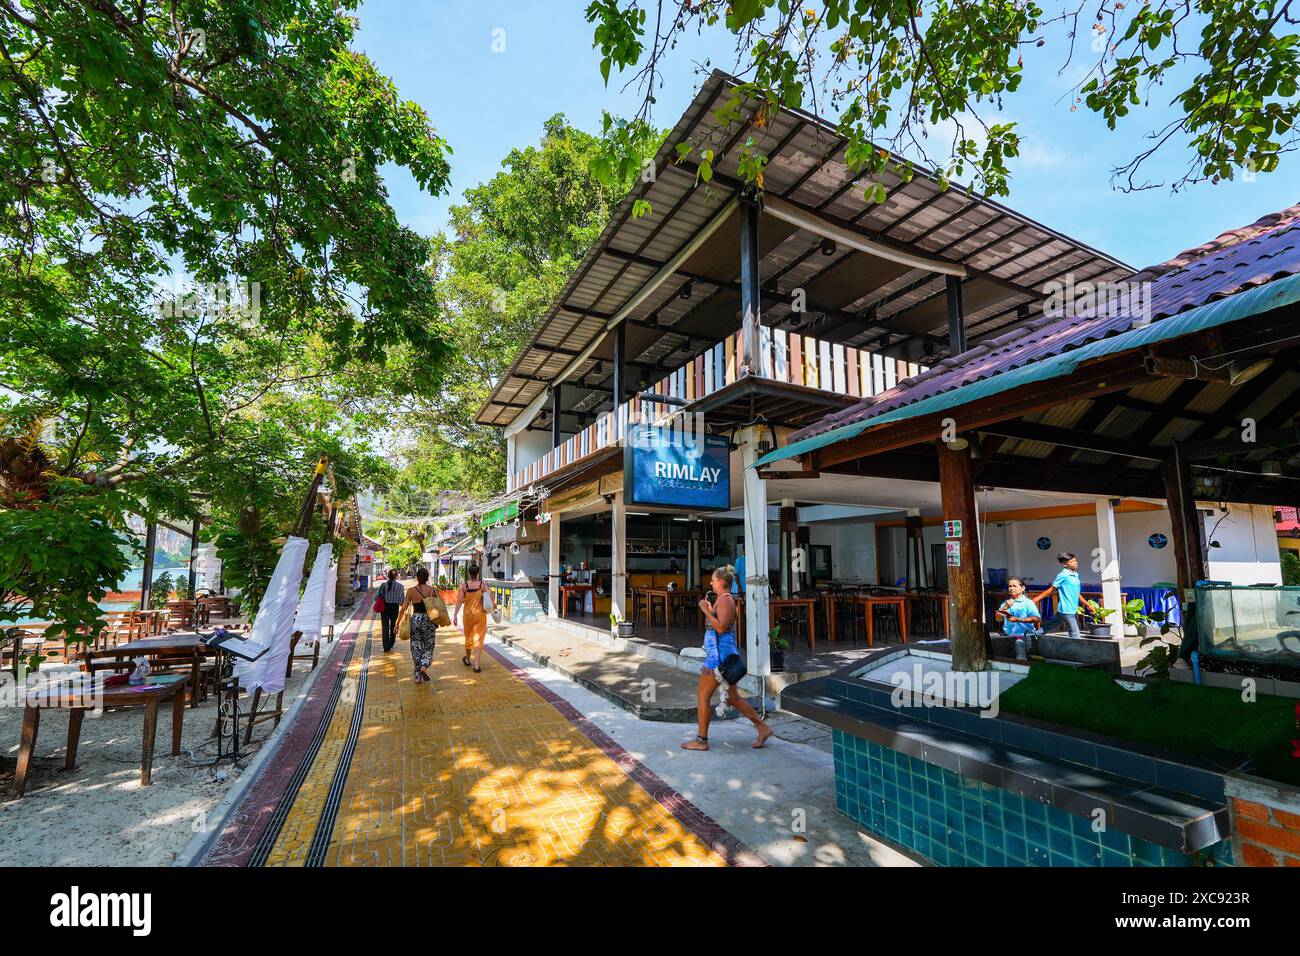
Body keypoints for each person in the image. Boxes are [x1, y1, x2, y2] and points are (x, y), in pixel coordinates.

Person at [681, 566, 774, 752]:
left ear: (722, 582)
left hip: (718, 658)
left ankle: (701, 740)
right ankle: (763, 728)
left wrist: (705, 610)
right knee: (733, 698)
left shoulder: (725, 600)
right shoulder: (723, 600)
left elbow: (722, 628)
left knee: (703, 696)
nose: (711, 583)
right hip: (722, 654)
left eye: (713, 580)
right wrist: (710, 610)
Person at [1033, 552, 1097, 639]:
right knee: (1075, 634)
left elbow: (1077, 593)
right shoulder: (1063, 575)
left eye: (1075, 561)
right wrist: (1035, 599)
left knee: (1051, 625)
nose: (1075, 563)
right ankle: (1076, 648)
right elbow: (1051, 589)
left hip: (1069, 608)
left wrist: (1088, 605)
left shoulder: (1075, 575)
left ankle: (1032, 636)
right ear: (1064, 564)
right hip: (1067, 609)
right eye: (1071, 562)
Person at [399, 567, 446, 684]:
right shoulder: (433, 590)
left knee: (416, 647)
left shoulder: (411, 591)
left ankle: (417, 676)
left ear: (417, 578)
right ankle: (424, 666)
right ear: (427, 578)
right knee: (429, 645)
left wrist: (397, 624)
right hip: (429, 620)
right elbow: (441, 605)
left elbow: (403, 608)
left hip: (416, 620)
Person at [995, 577, 1042, 659]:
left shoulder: (1028, 603)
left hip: (1024, 638)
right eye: (1010, 586)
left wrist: (1018, 619)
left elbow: (1037, 618)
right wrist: (1005, 607)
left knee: (1023, 661)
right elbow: (998, 619)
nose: (1012, 588)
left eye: (1014, 586)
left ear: (1022, 588)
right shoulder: (1006, 603)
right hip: (1008, 637)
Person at [455, 562, 489, 673]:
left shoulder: (464, 586)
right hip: (480, 615)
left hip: (468, 616)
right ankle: (477, 665)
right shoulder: (482, 586)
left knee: (468, 636)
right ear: (477, 573)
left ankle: (468, 660)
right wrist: (494, 608)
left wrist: (455, 615)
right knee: (478, 638)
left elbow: (459, 601)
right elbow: (491, 598)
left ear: (469, 573)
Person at [378, 568, 405, 652]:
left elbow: (376, 598)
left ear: (388, 576)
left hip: (385, 608)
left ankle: (386, 647)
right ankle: (392, 642)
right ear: (396, 576)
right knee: (394, 625)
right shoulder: (400, 586)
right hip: (394, 608)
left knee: (385, 627)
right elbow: (401, 601)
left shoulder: (383, 585)